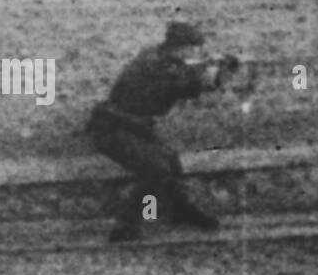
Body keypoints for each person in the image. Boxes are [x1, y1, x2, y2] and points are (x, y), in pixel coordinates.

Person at [86, 21, 238, 243]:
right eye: (193, 48)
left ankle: (180, 211)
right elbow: (179, 85)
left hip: (133, 127)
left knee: (172, 163)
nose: (195, 53)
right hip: (112, 129)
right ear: (180, 47)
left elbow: (183, 83)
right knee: (155, 169)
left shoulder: (163, 60)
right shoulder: (154, 65)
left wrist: (213, 76)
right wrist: (209, 77)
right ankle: (127, 223)